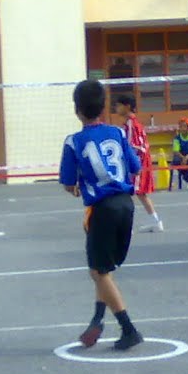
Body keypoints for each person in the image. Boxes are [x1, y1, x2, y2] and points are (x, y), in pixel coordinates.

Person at [62, 78, 145, 351]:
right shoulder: (118, 133)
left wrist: (78, 189)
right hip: (126, 204)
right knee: (103, 269)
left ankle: (128, 328)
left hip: (103, 209)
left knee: (99, 271)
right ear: (103, 107)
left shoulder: (74, 141)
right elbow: (135, 167)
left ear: (77, 109)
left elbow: (68, 183)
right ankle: (98, 318)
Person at [113, 94, 163, 233]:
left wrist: (127, 162)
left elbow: (133, 146)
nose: (116, 108)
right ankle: (154, 220)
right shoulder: (132, 124)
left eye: (118, 105)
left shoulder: (131, 124)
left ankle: (123, 223)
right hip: (139, 161)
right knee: (139, 193)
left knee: (130, 191)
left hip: (138, 163)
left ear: (127, 106)